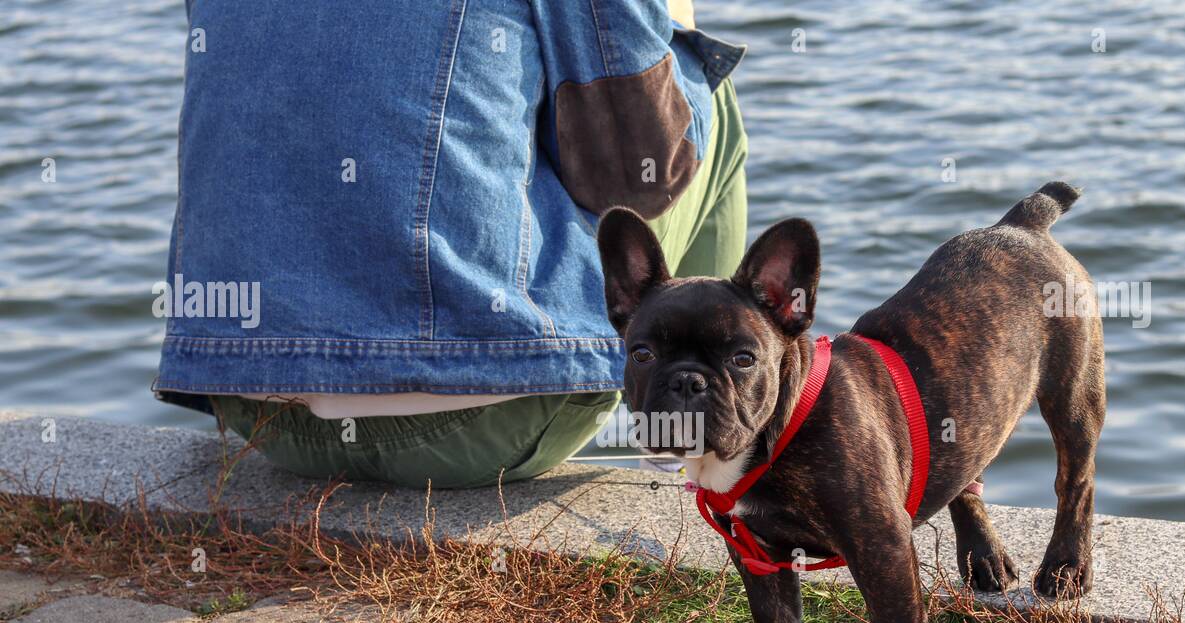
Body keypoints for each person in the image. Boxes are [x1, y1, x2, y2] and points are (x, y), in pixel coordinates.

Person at [153, 0, 747, 489]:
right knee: (702, 96)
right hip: (478, 423)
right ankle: (700, 457)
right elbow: (643, 168)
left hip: (257, 411)